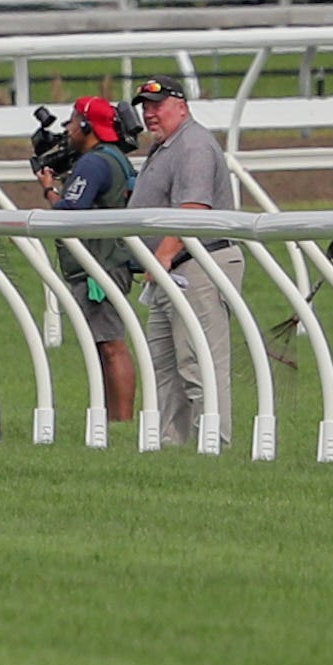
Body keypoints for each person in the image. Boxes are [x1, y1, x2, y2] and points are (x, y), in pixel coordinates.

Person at [125, 71, 239, 448]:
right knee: (166, 365)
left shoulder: (193, 145)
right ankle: (169, 447)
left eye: (158, 106)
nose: (150, 115)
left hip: (198, 264)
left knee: (198, 362)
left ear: (182, 106)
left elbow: (193, 208)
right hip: (174, 267)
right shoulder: (167, 145)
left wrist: (163, 255)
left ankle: (215, 445)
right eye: (146, 108)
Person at [40, 92, 141, 430]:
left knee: (111, 346)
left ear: (87, 124)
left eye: (72, 121)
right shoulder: (110, 158)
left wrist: (50, 191)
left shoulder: (95, 163)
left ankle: (122, 423)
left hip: (101, 266)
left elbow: (70, 212)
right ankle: (114, 421)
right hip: (108, 261)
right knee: (103, 345)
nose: (67, 128)